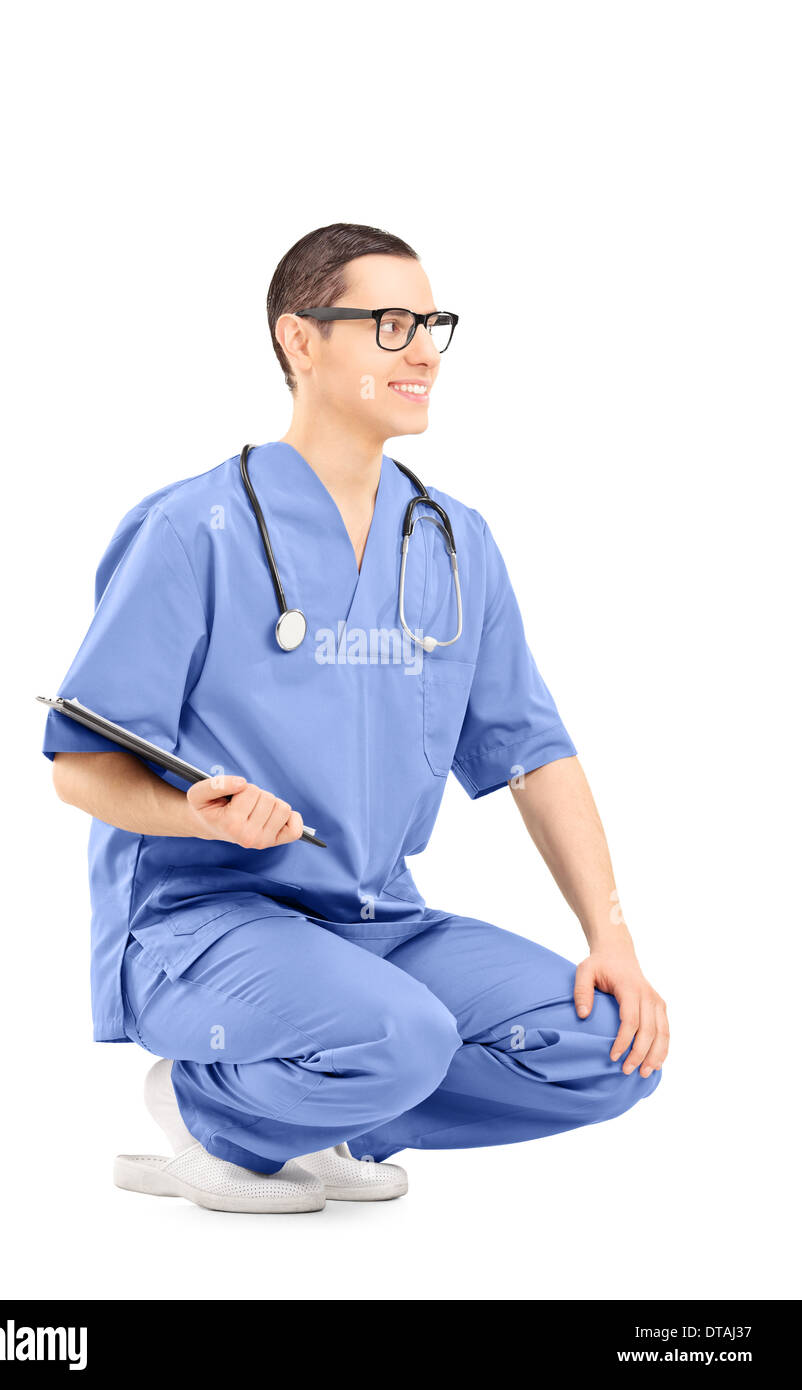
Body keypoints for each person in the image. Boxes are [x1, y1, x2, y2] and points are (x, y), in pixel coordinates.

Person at [44, 222, 668, 1215]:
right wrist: (200, 815)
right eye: (389, 323)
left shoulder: (454, 541)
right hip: (204, 923)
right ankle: (215, 1111)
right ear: (300, 340)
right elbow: (79, 765)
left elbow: (532, 752)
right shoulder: (190, 529)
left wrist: (611, 932)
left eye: (430, 324)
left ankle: (317, 1109)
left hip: (375, 919)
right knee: (403, 1033)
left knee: (611, 1052)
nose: (423, 349)